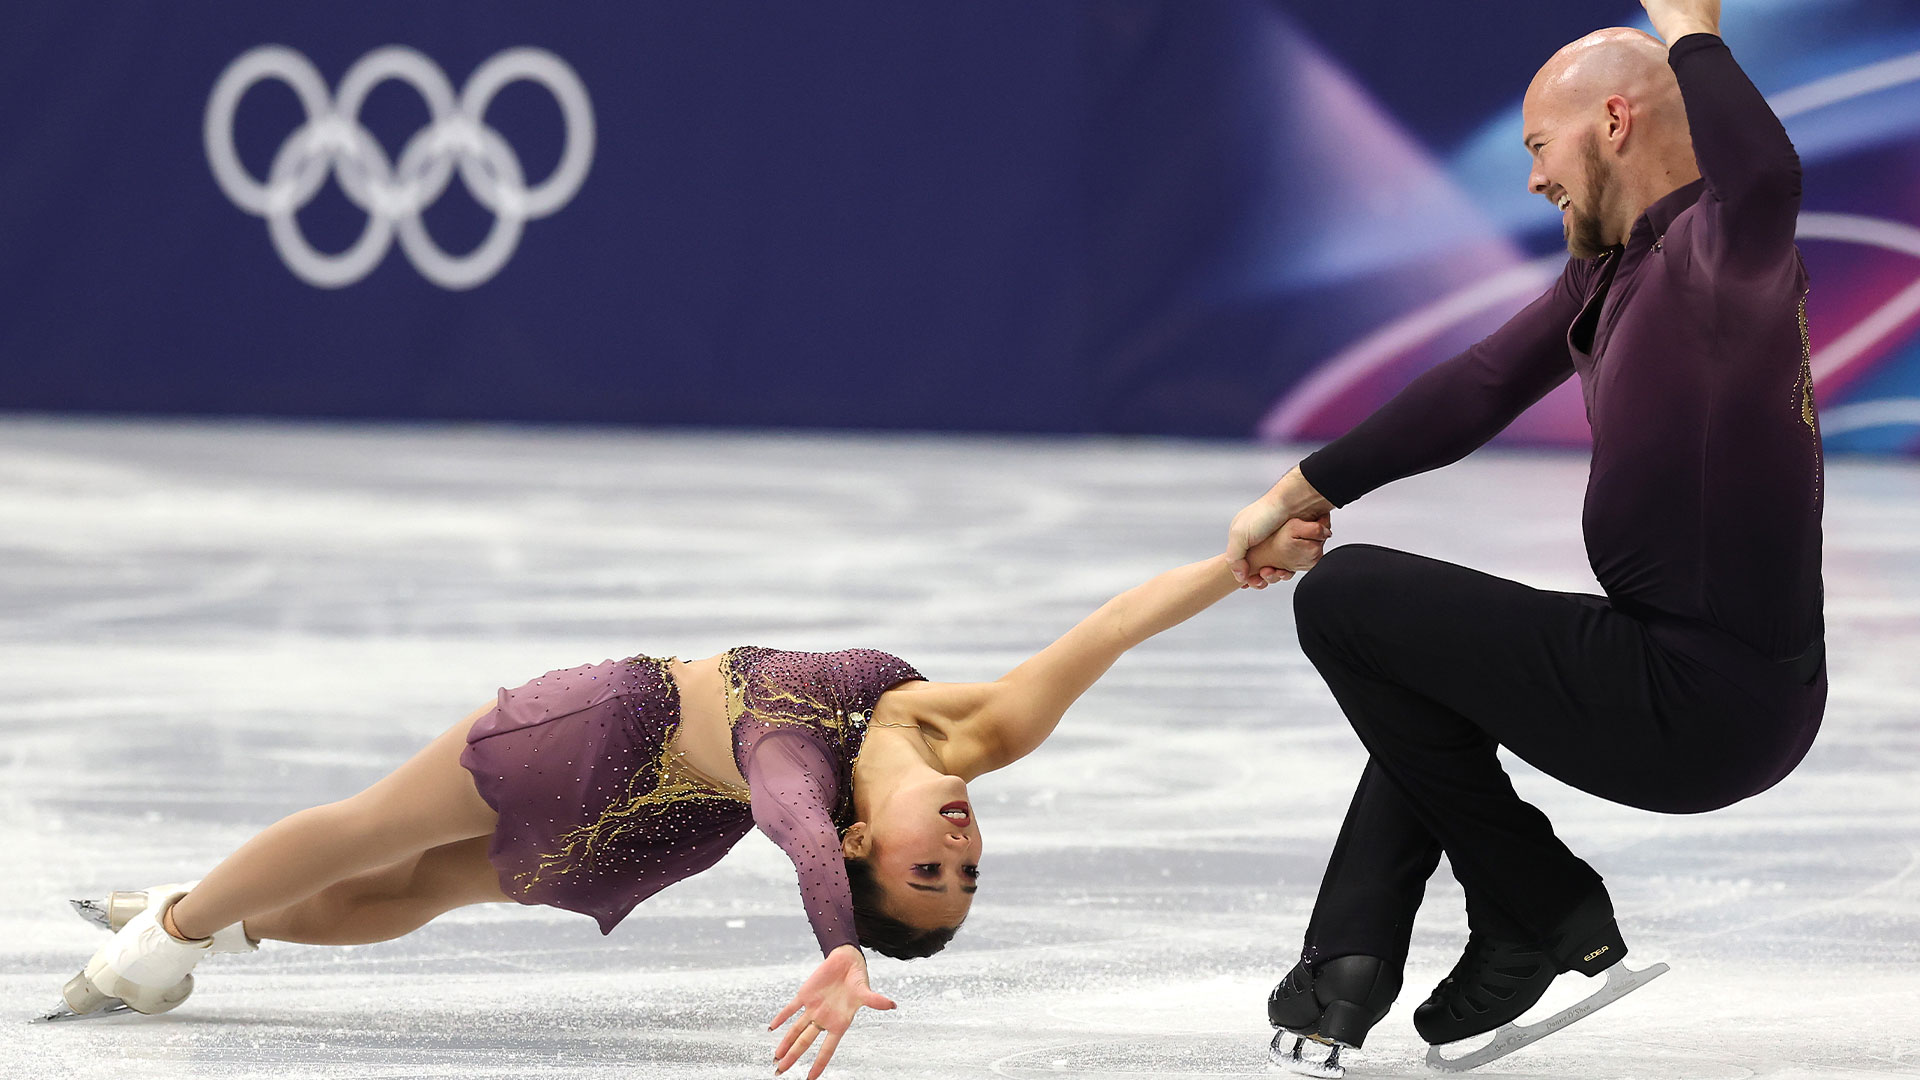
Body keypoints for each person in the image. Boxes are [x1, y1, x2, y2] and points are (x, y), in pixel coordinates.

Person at [54, 519, 1329, 1080]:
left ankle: (196, 932)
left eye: (927, 877)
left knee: (406, 866)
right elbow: (1110, 627)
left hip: (637, 773)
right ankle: (184, 927)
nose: (960, 849)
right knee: (399, 854)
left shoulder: (800, 781)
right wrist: (1236, 563)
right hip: (631, 762)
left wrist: (840, 944)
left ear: (850, 841)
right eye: (969, 873)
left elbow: (785, 821)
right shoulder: (988, 730)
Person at [1228, 0, 1824, 1060]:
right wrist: (1300, 489)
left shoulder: (1717, 257)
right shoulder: (1616, 270)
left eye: (1539, 147)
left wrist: (1691, 29)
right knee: (1423, 670)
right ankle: (1352, 961)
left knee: (1350, 599)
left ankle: (1543, 909)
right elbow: (1480, 385)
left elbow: (1768, 179)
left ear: (1614, 121)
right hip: (1675, 667)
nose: (1537, 178)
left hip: (1706, 699)